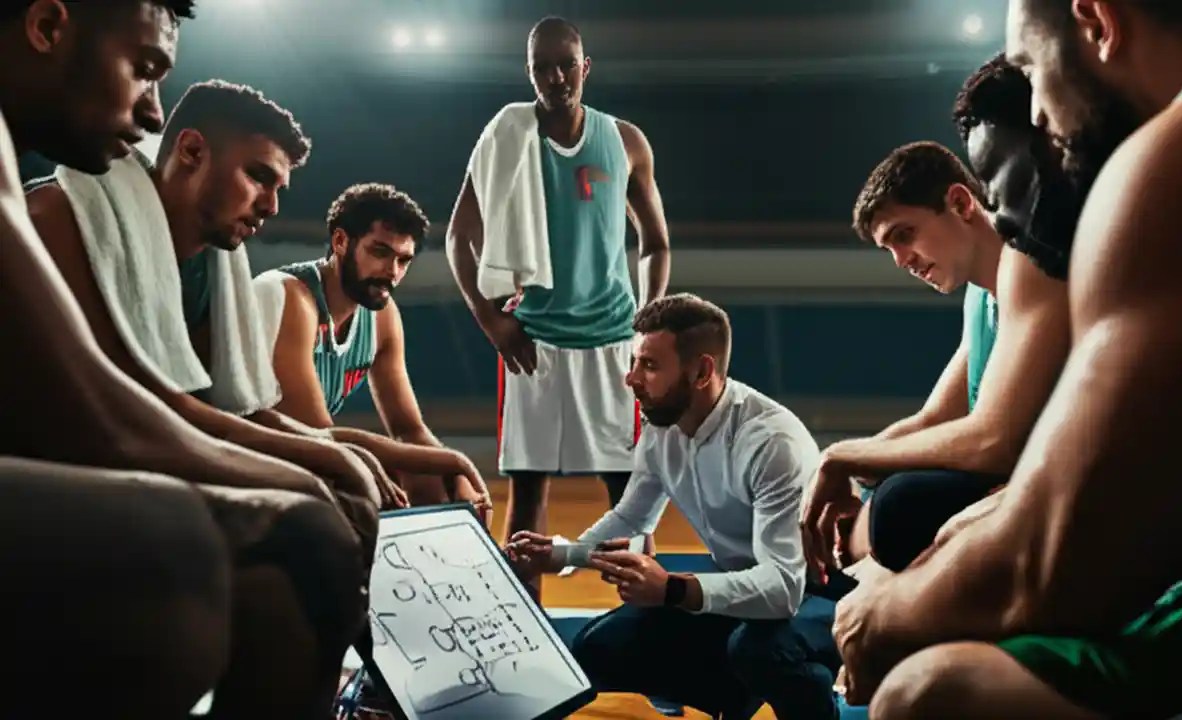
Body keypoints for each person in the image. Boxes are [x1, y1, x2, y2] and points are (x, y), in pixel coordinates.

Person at [833, 2, 1182, 718]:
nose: (1041, 115)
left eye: (1035, 76)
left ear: (1099, 20)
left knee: (935, 693)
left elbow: (1051, 564)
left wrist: (882, 618)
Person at [0, 3, 368, 718]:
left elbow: (205, 407)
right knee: (178, 546)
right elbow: (101, 413)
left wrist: (331, 462)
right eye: (142, 70)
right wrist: (304, 476)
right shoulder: (58, 211)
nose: (150, 113)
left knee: (277, 562)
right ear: (47, 26)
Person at [26, 79, 386, 537]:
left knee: (336, 490)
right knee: (309, 521)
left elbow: (224, 404)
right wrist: (312, 463)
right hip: (51, 460)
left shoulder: (212, 263)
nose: (271, 206)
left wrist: (330, 451)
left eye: (279, 188)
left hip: (125, 450)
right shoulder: (62, 214)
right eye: (258, 176)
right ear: (193, 151)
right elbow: (133, 400)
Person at [804, 57, 1090, 577]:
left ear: (961, 202)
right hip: (1003, 482)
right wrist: (840, 469)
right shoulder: (980, 300)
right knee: (884, 502)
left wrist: (847, 459)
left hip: (1041, 484)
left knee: (899, 507)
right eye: (888, 249)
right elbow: (935, 419)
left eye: (904, 236)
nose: (902, 261)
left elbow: (990, 440)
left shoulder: (1034, 265)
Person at [505, 294, 843, 720]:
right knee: (599, 647)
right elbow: (632, 517)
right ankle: (730, 695)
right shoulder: (662, 423)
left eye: (648, 365)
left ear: (701, 371)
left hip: (822, 592)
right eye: (633, 363)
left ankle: (812, 698)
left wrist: (672, 590)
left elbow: (782, 589)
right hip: (744, 582)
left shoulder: (771, 443)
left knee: (761, 651)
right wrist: (561, 555)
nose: (630, 379)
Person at [446, 15, 672, 595]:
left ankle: (646, 623)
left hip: (612, 340)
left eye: (565, 64)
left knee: (629, 494)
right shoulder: (507, 138)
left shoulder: (624, 141)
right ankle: (530, 639)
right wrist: (492, 322)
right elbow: (457, 238)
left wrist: (648, 319)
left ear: (585, 66)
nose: (555, 77)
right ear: (529, 73)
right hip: (534, 344)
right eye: (541, 67)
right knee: (527, 496)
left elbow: (656, 242)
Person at [256, 181, 491, 517]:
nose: (392, 272)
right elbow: (318, 436)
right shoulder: (289, 296)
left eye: (403, 260)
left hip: (302, 457)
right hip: (237, 458)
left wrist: (452, 476)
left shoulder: (381, 316)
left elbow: (408, 429)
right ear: (340, 241)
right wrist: (455, 460)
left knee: (434, 481)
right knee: (368, 478)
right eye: (380, 252)